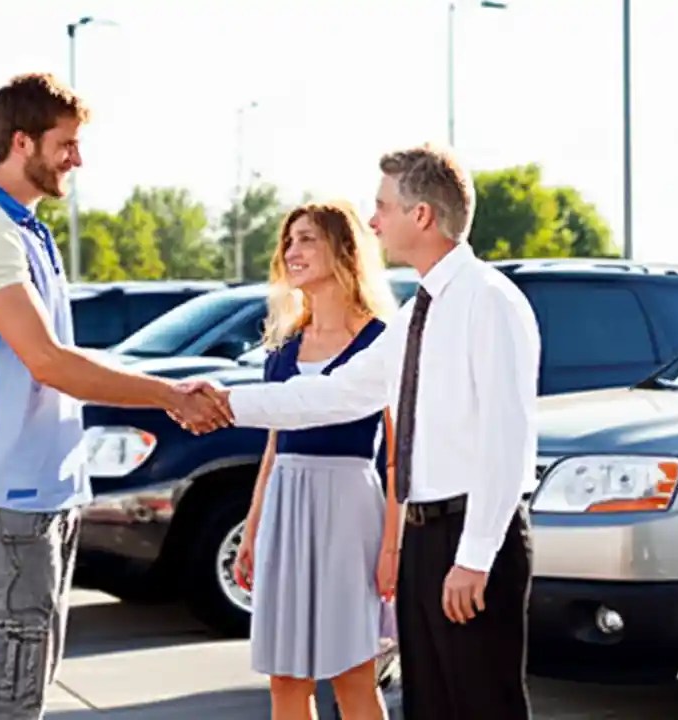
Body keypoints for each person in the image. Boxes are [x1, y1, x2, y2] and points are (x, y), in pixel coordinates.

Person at [178, 143, 540, 720]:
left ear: (421, 216)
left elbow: (507, 439)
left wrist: (474, 558)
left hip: (470, 535)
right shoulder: (421, 310)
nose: (373, 222)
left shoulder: (488, 301)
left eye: (383, 207)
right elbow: (336, 394)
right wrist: (226, 403)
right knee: (430, 707)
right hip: (426, 535)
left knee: (480, 705)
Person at [0, 72, 228, 720]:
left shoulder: (27, 230)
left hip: (48, 490)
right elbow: (46, 361)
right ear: (21, 142)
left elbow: (59, 355)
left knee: (28, 689)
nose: (78, 159)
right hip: (8, 493)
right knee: (9, 699)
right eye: (66, 144)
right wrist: (170, 396)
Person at [234, 200, 402, 720]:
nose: (293, 250)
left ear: (344, 249)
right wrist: (253, 527)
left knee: (352, 674)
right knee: (285, 679)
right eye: (289, 241)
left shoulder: (382, 341)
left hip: (350, 511)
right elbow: (272, 446)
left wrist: (392, 547)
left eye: (307, 238)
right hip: (286, 504)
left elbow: (399, 459)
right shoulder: (283, 348)